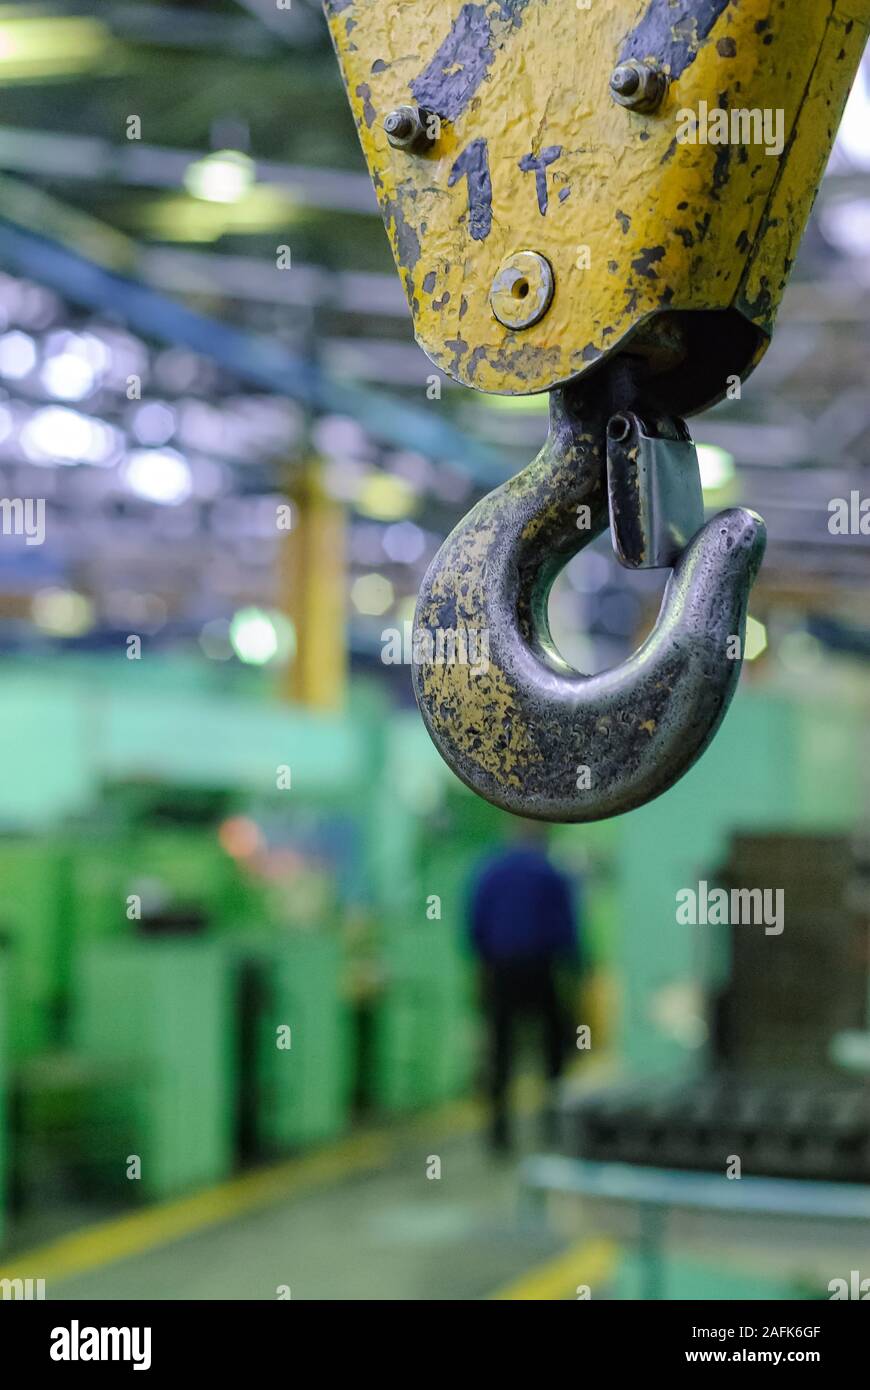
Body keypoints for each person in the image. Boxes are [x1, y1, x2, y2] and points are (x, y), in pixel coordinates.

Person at [467, 821, 582, 1152]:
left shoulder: (491, 871)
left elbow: (475, 922)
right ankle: (553, 1127)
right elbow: (567, 929)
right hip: (541, 969)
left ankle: (499, 1133)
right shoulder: (550, 873)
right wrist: (575, 971)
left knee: (501, 1051)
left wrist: (481, 965)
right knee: (552, 1052)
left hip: (501, 970)